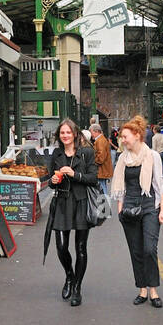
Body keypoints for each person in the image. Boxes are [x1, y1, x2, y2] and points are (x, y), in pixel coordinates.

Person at [110, 115, 163, 307]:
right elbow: (120, 186)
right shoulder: (122, 159)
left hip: (150, 205)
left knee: (149, 249)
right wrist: (120, 208)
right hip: (129, 208)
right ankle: (142, 289)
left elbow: (159, 186)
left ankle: (153, 290)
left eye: (125, 136)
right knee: (136, 250)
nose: (122, 140)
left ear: (136, 135)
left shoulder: (153, 156)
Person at [46, 118, 98, 307]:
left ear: (75, 134)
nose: (65, 135)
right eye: (62, 133)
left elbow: (93, 178)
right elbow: (50, 181)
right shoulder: (57, 154)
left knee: (81, 248)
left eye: (68, 132)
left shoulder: (86, 153)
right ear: (59, 136)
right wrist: (54, 180)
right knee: (60, 246)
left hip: (81, 202)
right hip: (62, 202)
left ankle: (77, 288)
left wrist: (74, 174)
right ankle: (69, 275)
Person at [91, 122, 113, 194]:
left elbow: (101, 157)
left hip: (101, 169)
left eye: (92, 132)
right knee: (102, 187)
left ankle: (104, 203)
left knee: (102, 188)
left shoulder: (100, 141)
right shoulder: (101, 140)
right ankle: (105, 202)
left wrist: (94, 161)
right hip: (103, 169)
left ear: (96, 131)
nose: (91, 135)